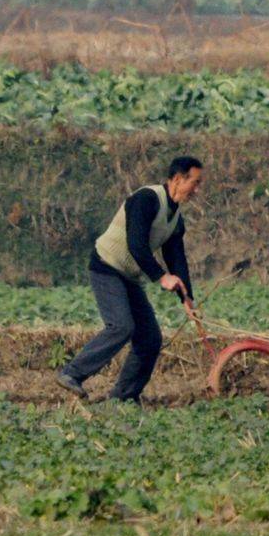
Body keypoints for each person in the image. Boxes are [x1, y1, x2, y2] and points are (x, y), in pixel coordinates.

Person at [56, 156, 203, 404]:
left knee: (150, 339)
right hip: (106, 267)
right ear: (178, 179)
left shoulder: (176, 219)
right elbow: (136, 245)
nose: (197, 191)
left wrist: (187, 298)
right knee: (122, 326)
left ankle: (123, 397)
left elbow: (176, 259)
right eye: (195, 183)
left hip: (129, 276)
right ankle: (72, 373)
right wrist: (161, 277)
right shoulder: (145, 199)